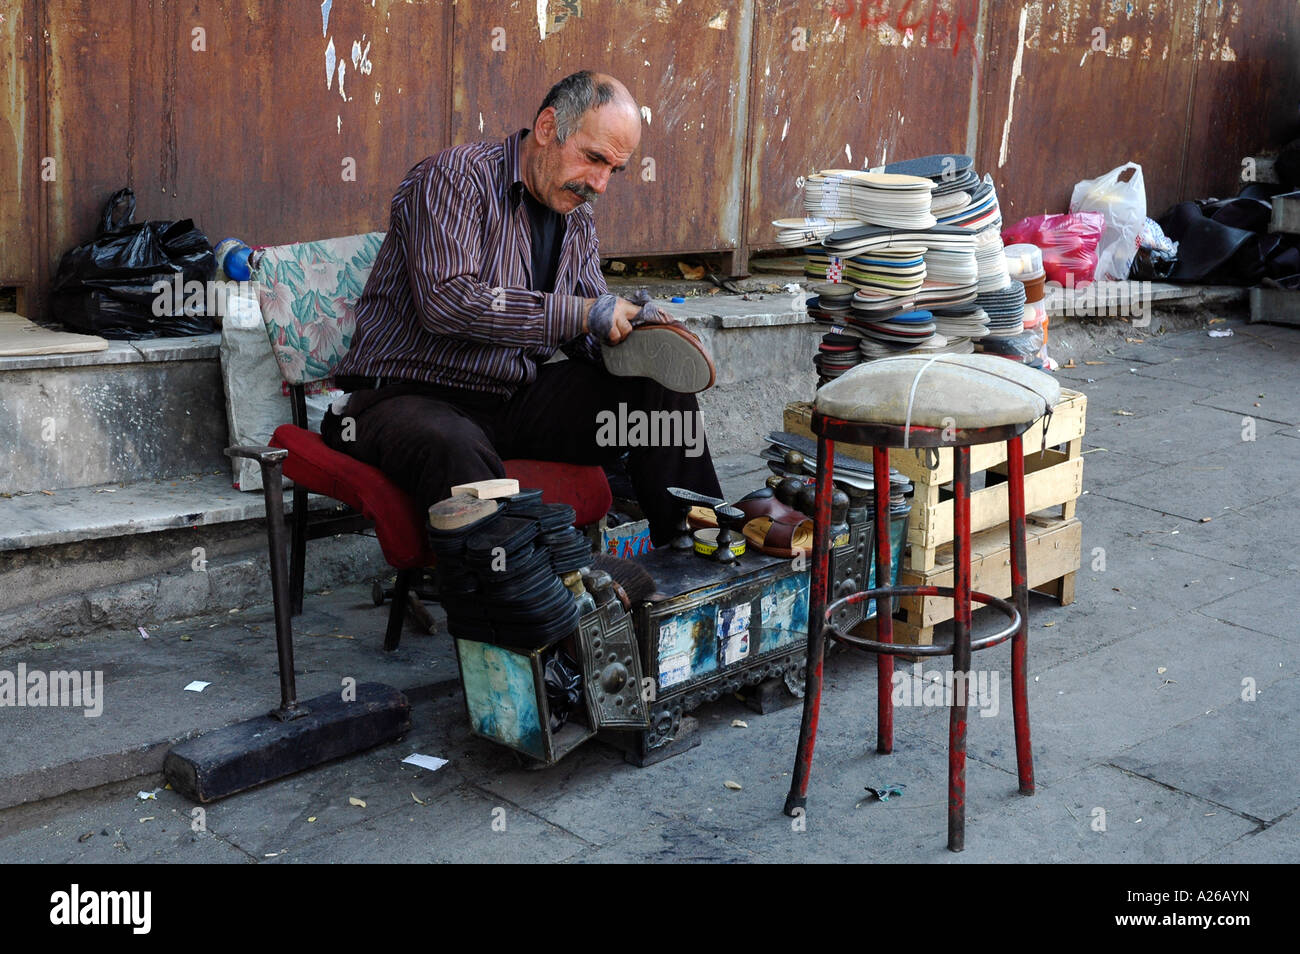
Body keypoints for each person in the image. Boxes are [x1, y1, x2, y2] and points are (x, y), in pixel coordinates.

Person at [323, 70, 723, 544]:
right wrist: (581, 313)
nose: (600, 184)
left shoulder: (576, 216)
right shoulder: (454, 178)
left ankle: (696, 547)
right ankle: (521, 608)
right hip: (408, 396)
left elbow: (587, 326)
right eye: (594, 159)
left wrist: (635, 333)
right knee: (454, 447)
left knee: (658, 393)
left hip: (509, 401)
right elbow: (448, 303)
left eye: (613, 170)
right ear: (550, 127)